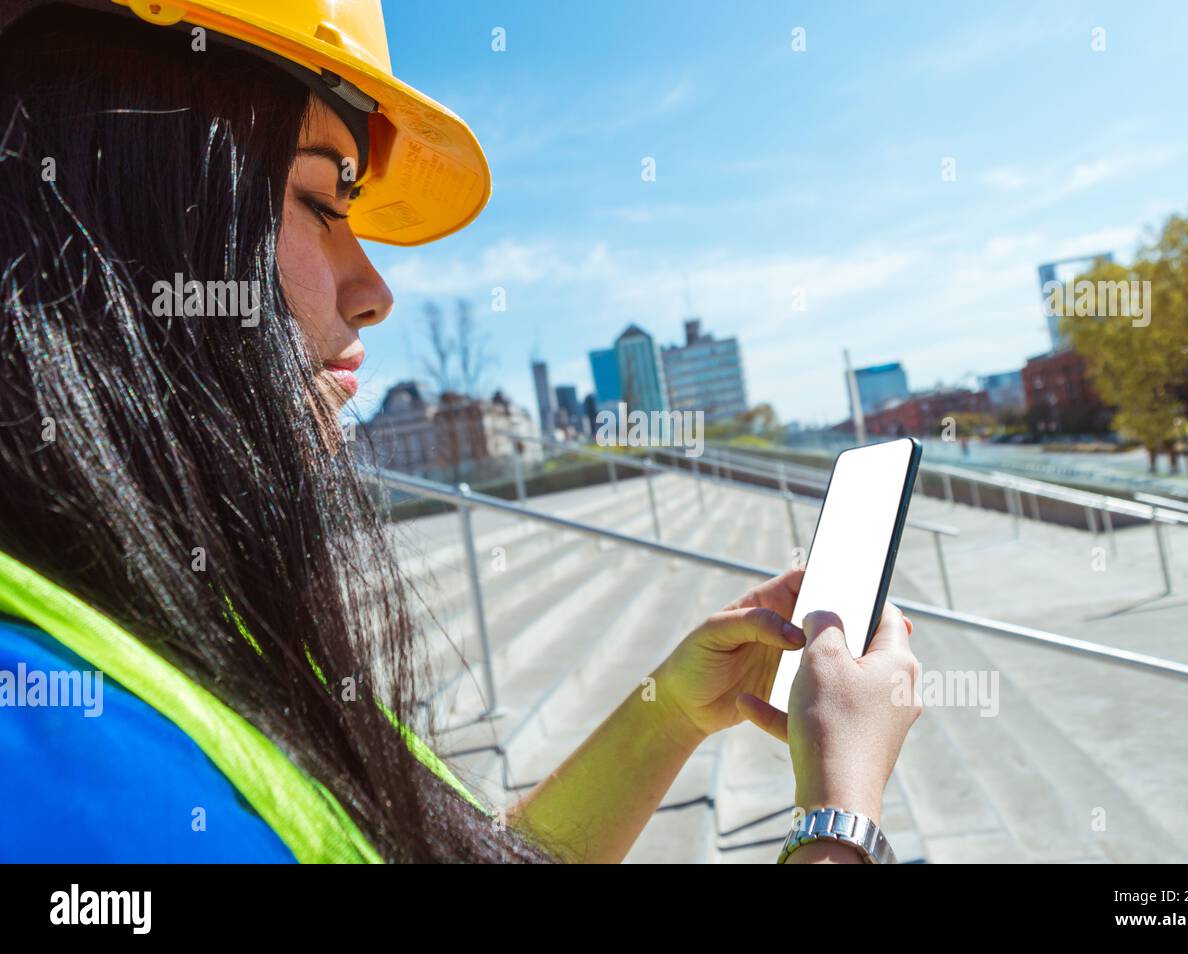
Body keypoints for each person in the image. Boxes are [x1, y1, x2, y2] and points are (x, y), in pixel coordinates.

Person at [0, 0, 922, 863]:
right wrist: (841, 816)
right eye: (323, 203)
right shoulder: (52, 756)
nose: (375, 292)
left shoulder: (159, 614)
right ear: (112, 203)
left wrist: (669, 713)